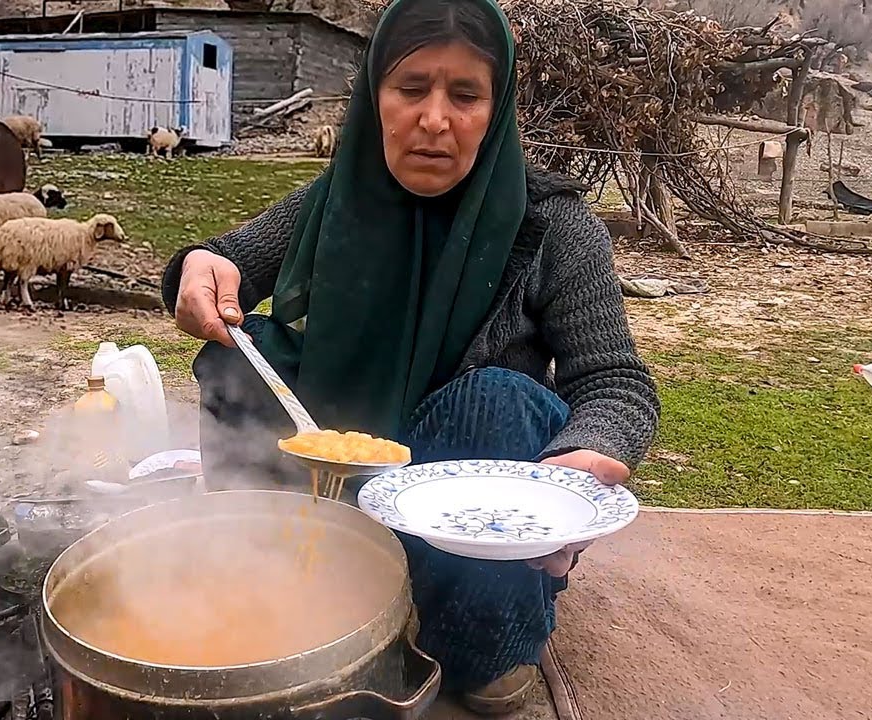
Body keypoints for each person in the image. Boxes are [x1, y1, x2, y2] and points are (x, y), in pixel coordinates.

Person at [161, 0, 660, 713]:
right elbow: (227, 261)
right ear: (375, 97)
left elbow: (616, 383)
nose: (435, 119)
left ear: (497, 107)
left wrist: (585, 463)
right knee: (243, 354)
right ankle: (272, 581)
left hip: (471, 531)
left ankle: (482, 639)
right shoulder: (333, 203)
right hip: (335, 490)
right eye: (410, 88)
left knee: (496, 398)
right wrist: (199, 266)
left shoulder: (555, 228)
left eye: (465, 95)